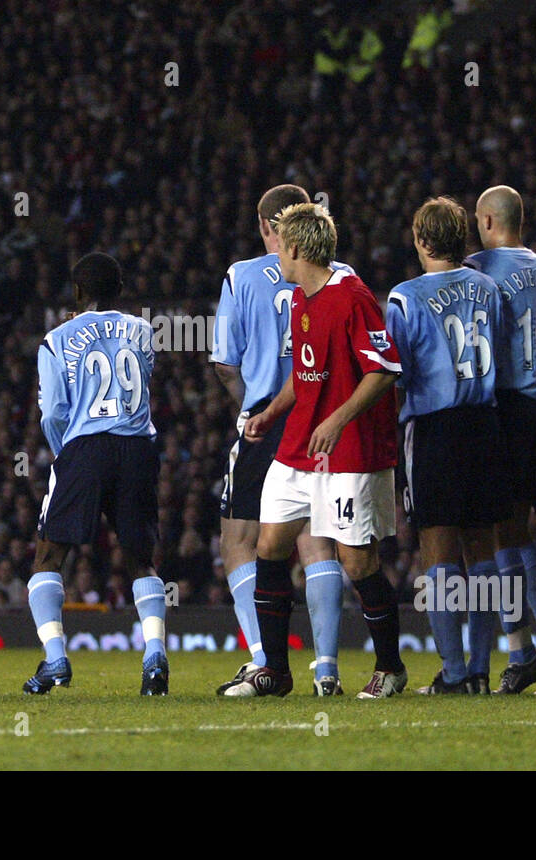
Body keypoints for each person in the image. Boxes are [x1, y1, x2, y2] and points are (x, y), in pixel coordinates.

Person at [222, 203, 405, 698]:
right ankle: (276, 672)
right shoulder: (302, 300)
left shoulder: (352, 296)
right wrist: (270, 413)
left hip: (348, 451)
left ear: (297, 247)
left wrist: (338, 418)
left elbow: (384, 370)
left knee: (357, 560)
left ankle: (390, 667)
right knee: (269, 546)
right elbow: (304, 378)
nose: (275, 251)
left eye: (280, 242)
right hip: (298, 445)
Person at [211, 183, 354, 696]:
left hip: (265, 423)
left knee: (240, 541)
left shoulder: (242, 275)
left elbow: (226, 362)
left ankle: (262, 660)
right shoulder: (340, 275)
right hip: (321, 424)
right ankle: (327, 669)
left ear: (265, 225)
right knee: (316, 543)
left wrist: (251, 408)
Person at [26, 252, 169, 696]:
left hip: (85, 446)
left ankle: (55, 660)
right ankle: (154, 658)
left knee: (49, 557)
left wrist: (66, 456)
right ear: (120, 291)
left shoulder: (56, 338)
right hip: (137, 447)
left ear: (78, 292)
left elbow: (53, 412)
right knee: (140, 557)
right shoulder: (145, 331)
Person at [385, 196, 507, 693]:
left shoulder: (404, 297)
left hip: (434, 428)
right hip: (485, 421)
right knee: (481, 551)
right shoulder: (487, 287)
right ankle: (479, 670)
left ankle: (454, 673)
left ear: (420, 239)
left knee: (436, 549)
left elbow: (394, 375)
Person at [467, 185, 536, 693]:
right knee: (517, 531)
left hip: (504, 407)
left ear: (487, 219)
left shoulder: (481, 268)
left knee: (498, 533)